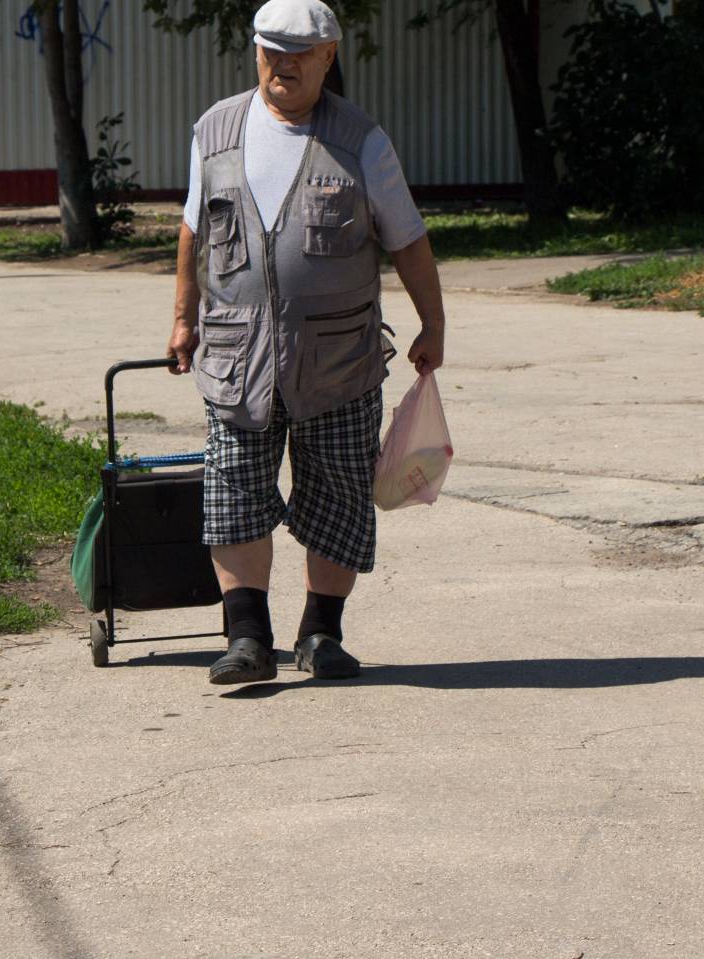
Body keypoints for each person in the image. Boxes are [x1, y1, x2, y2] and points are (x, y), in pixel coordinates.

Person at [167, 0, 445, 685]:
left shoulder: (361, 140)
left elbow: (407, 239)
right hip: (236, 358)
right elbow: (193, 233)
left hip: (339, 361)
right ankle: (246, 638)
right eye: (269, 52)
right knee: (233, 494)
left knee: (340, 495)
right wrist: (183, 317)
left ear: (327, 56)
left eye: (297, 54)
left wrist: (432, 323)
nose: (280, 65)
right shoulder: (216, 130)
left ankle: (322, 632)